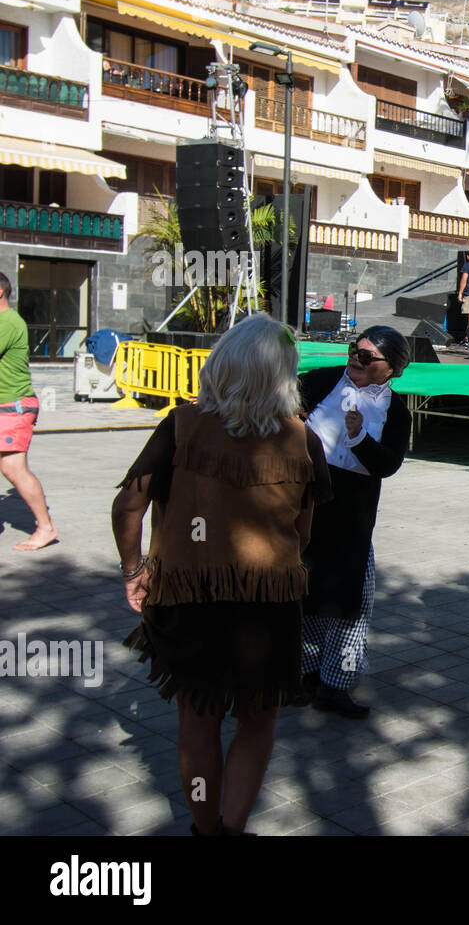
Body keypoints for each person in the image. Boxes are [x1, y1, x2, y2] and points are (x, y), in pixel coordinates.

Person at [112, 314, 332, 835]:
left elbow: (127, 507)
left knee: (198, 717)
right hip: (268, 603)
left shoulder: (180, 425)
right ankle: (232, 830)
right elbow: (303, 535)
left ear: (221, 365)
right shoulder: (304, 440)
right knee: (259, 720)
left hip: (188, 596)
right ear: (285, 375)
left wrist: (133, 569)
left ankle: (204, 830)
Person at [298, 327, 411, 718]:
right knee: (305, 593)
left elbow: (388, 465)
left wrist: (359, 436)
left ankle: (336, 686)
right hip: (306, 504)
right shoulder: (323, 380)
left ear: (391, 369)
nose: (355, 361)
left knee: (353, 603)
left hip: (352, 514)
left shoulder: (396, 411)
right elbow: (275, 400)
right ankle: (304, 675)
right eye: (353, 351)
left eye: (366, 358)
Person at [0, 272, 57, 551]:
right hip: (6, 406)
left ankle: (46, 528)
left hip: (13, 407)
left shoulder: (8, 322)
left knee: (13, 467)